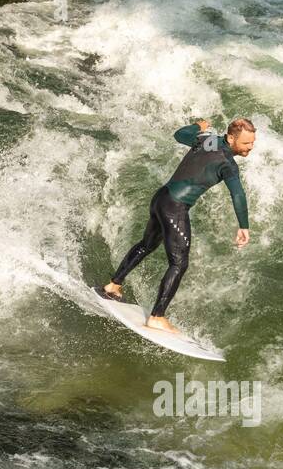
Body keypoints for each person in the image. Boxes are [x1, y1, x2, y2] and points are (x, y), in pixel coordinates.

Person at [104, 119, 255, 334]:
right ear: (231, 138)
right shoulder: (227, 164)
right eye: (246, 143)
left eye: (252, 143)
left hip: (161, 198)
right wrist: (244, 226)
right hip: (175, 207)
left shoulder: (208, 141)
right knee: (179, 263)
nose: (250, 148)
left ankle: (113, 286)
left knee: (147, 244)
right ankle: (157, 317)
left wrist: (197, 126)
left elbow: (180, 134)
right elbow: (237, 193)